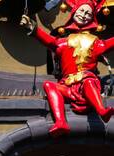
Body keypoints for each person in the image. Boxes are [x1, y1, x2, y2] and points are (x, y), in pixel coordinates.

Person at [20, 2, 114, 136]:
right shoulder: (64, 41)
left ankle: (101, 110)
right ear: (74, 12)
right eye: (81, 11)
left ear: (92, 17)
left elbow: (110, 43)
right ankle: (60, 122)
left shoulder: (96, 42)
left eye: (88, 13)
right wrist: (32, 28)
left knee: (87, 80)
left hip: (87, 84)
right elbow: (50, 41)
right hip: (68, 87)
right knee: (49, 85)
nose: (84, 15)